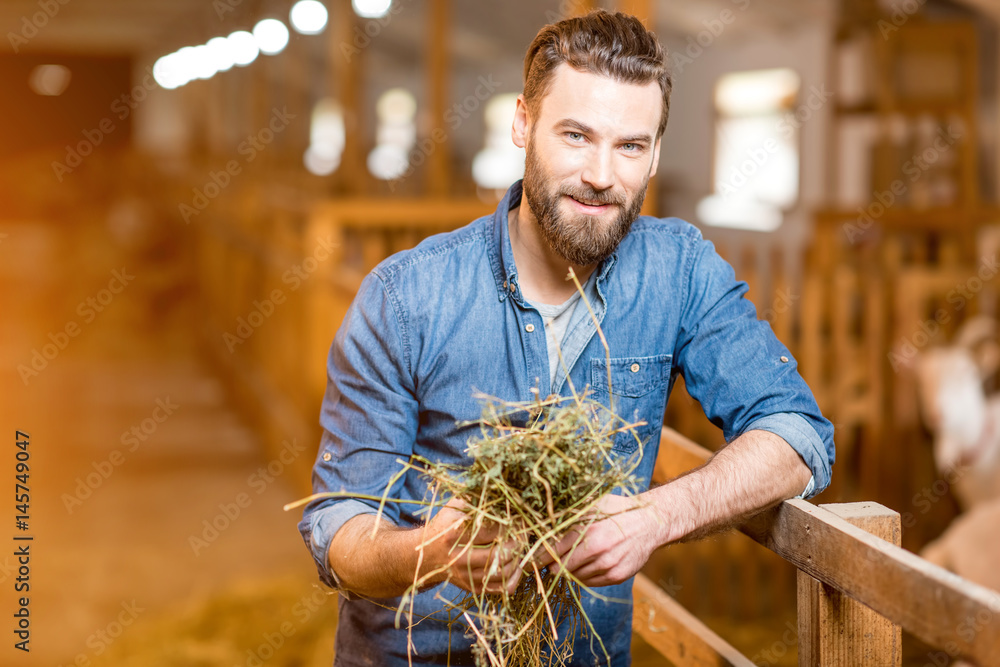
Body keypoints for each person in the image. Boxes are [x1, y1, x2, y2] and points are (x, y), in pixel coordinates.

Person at [298, 9, 835, 666]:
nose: (603, 175)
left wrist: (655, 516)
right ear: (523, 124)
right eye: (576, 136)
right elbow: (337, 528)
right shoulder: (406, 296)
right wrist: (432, 552)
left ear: (656, 152)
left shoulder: (680, 271)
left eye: (630, 146)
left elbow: (799, 435)